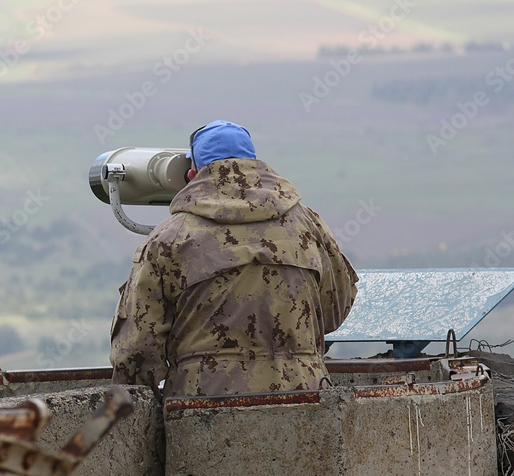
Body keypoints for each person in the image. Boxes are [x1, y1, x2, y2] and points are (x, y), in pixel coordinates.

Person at [110, 120, 357, 398]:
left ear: (192, 174)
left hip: (205, 408)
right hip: (306, 398)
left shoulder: (168, 240)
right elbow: (335, 308)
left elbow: (137, 350)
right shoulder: (308, 224)